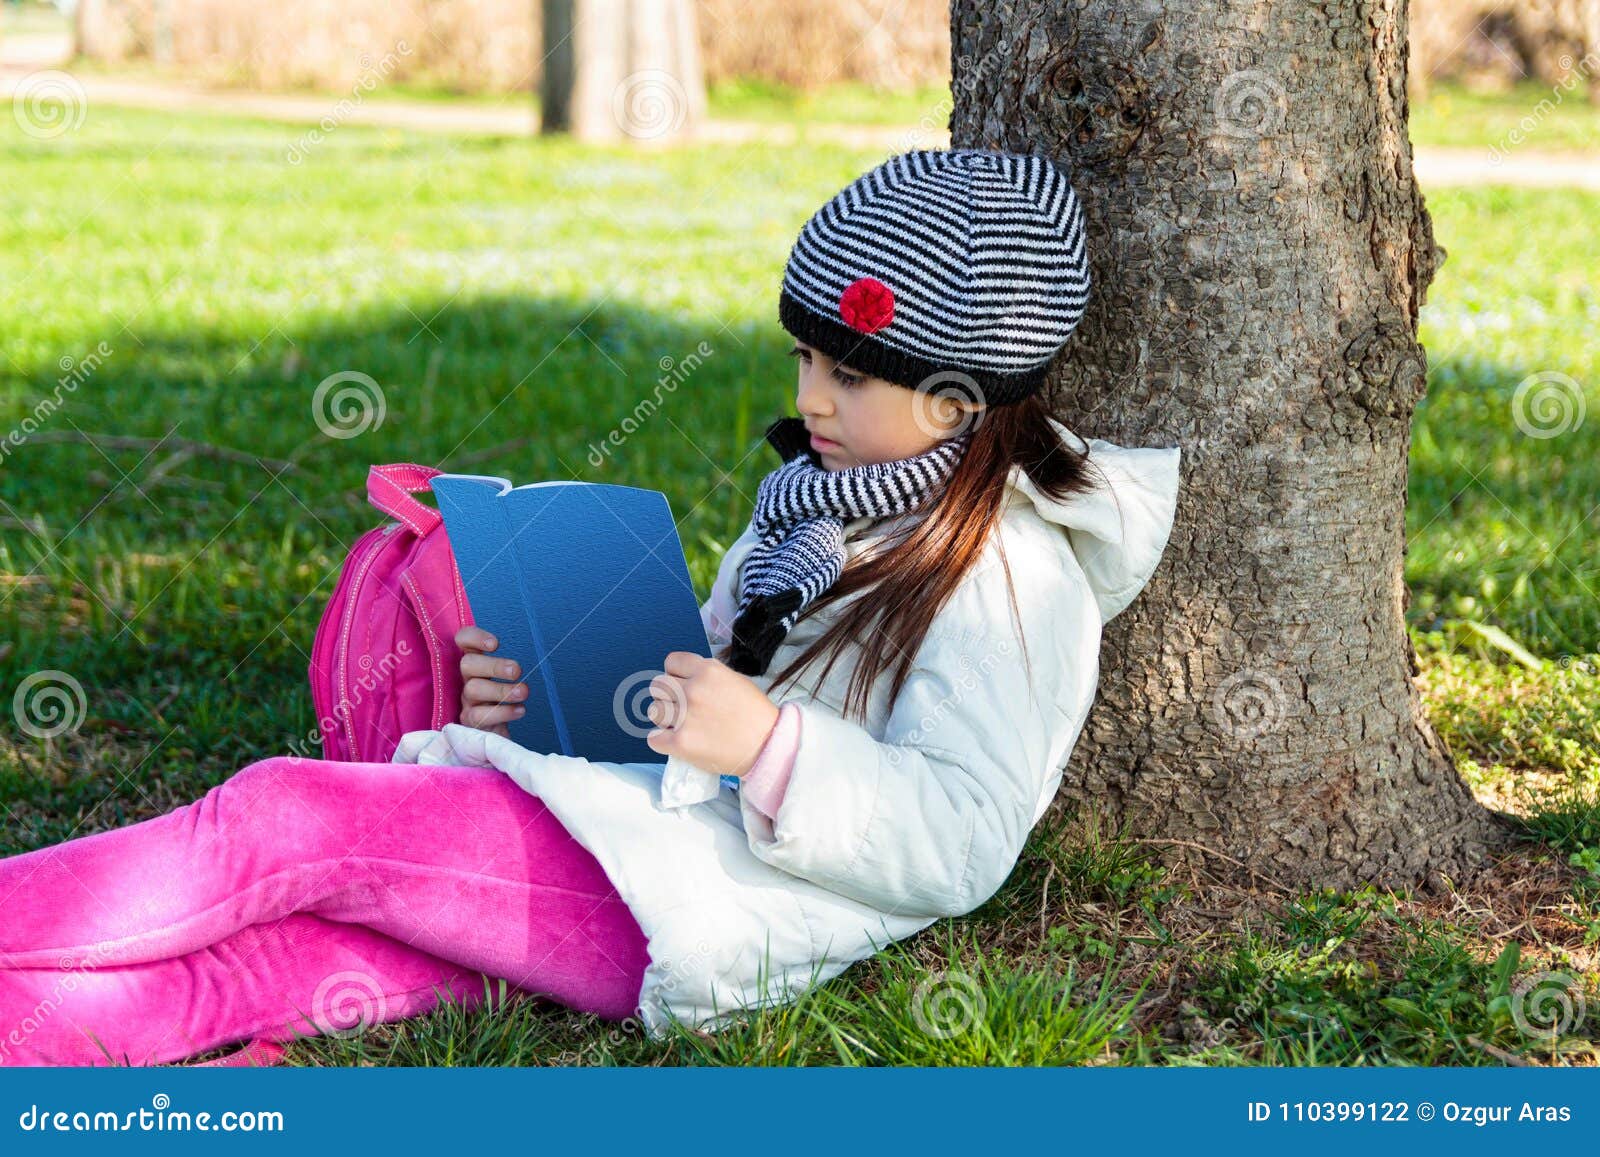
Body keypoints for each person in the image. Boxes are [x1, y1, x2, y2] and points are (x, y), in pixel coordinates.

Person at [0, 147, 1181, 1066]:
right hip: (635, 843)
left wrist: (770, 745)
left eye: (848, 373)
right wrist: (539, 704)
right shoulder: (826, 506)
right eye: (804, 360)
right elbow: (689, 696)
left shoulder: (1010, 575)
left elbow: (966, 838)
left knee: (286, 818)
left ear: (956, 390)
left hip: (690, 890)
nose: (807, 397)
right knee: (276, 960)